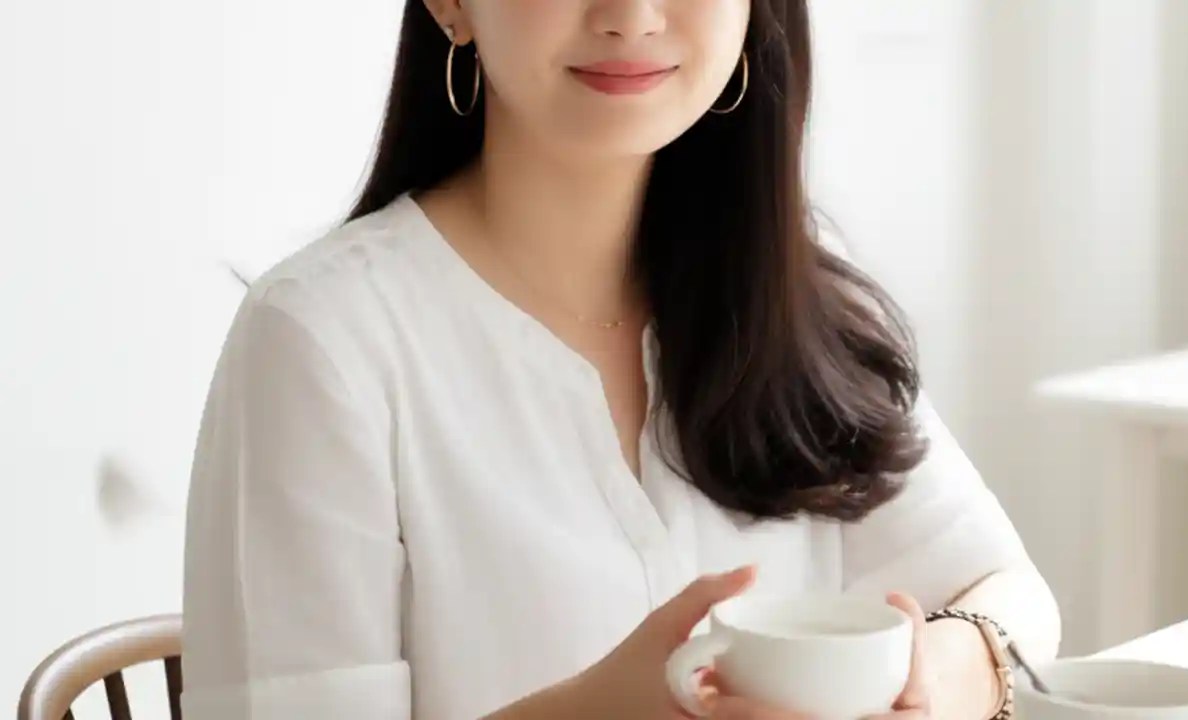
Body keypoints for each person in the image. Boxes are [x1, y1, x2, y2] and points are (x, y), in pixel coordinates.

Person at [181, 0, 1061, 718]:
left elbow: (1009, 587)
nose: (632, 15)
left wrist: (936, 678)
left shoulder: (785, 295)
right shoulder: (322, 340)